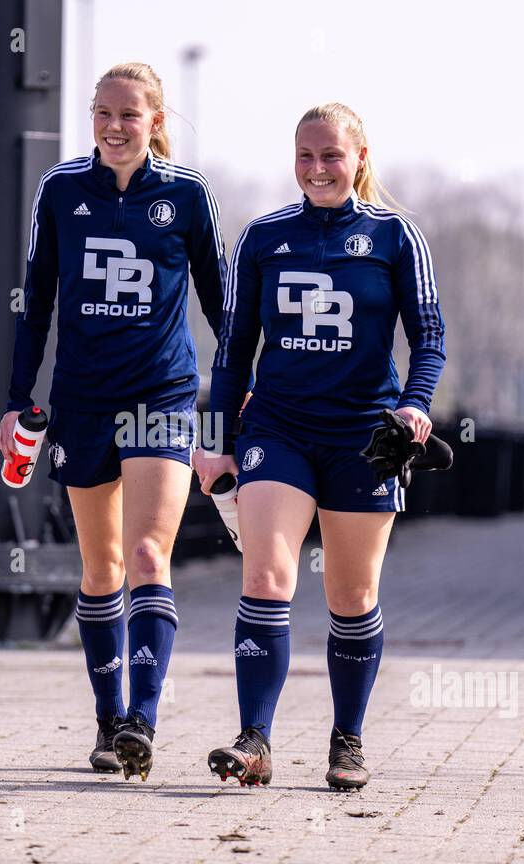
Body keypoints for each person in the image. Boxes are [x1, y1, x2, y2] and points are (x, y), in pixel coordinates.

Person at [194, 102, 446, 790]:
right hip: (277, 428)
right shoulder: (264, 237)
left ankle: (348, 740)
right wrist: (217, 441)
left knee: (351, 594)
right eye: (304, 156)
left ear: (360, 157)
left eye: (331, 155)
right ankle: (255, 741)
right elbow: (234, 349)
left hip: (366, 438)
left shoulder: (397, 237)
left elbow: (429, 337)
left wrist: (414, 408)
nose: (316, 169)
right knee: (265, 577)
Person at [0, 63, 225, 780]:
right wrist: (16, 399)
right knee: (100, 567)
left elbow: (225, 302)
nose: (114, 127)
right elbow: (35, 304)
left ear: (155, 120)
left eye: (130, 114)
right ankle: (106, 721)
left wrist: (242, 390)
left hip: (161, 393)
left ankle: (143, 720)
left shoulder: (187, 195)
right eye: (102, 113)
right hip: (83, 400)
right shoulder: (62, 190)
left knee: (150, 555)